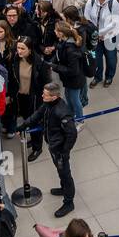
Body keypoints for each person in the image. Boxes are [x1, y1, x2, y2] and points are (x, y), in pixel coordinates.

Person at [20, 81, 78, 217]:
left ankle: (69, 202)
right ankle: (64, 188)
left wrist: (65, 151)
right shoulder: (48, 104)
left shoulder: (62, 112)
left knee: (65, 173)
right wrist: (24, 125)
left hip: (59, 149)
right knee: (60, 170)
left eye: (45, 95)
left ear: (54, 97)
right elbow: (37, 115)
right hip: (53, 145)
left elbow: (72, 133)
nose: (42, 96)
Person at [85, 0, 119, 87]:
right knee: (96, 59)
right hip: (94, 36)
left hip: (110, 36)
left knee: (111, 59)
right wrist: (94, 32)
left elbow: (115, 22)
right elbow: (86, 17)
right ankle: (97, 77)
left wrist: (101, 33)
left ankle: (109, 76)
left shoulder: (114, 3)